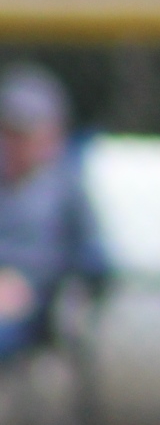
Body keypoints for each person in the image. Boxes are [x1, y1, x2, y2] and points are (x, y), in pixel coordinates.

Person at [0, 62, 102, 358]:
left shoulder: (65, 187)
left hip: (35, 303)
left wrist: (36, 287)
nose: (15, 143)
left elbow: (90, 258)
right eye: (9, 131)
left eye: (26, 132)